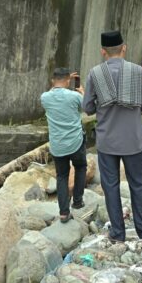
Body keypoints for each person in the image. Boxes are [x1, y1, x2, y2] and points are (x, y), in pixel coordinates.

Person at [82, 30, 142, 244]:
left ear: (103, 51)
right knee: (139, 185)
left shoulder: (95, 73)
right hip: (133, 139)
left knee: (111, 186)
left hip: (107, 142)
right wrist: (133, 112)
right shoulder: (138, 71)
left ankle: (117, 233)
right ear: (124, 48)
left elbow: (87, 108)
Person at [40, 67, 87, 223]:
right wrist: (82, 92)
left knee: (62, 176)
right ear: (68, 80)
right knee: (80, 167)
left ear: (52, 81)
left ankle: (64, 213)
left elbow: (50, 93)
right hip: (76, 141)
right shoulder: (74, 96)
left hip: (57, 145)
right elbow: (88, 108)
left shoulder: (45, 97)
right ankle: (78, 201)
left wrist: (61, 82)